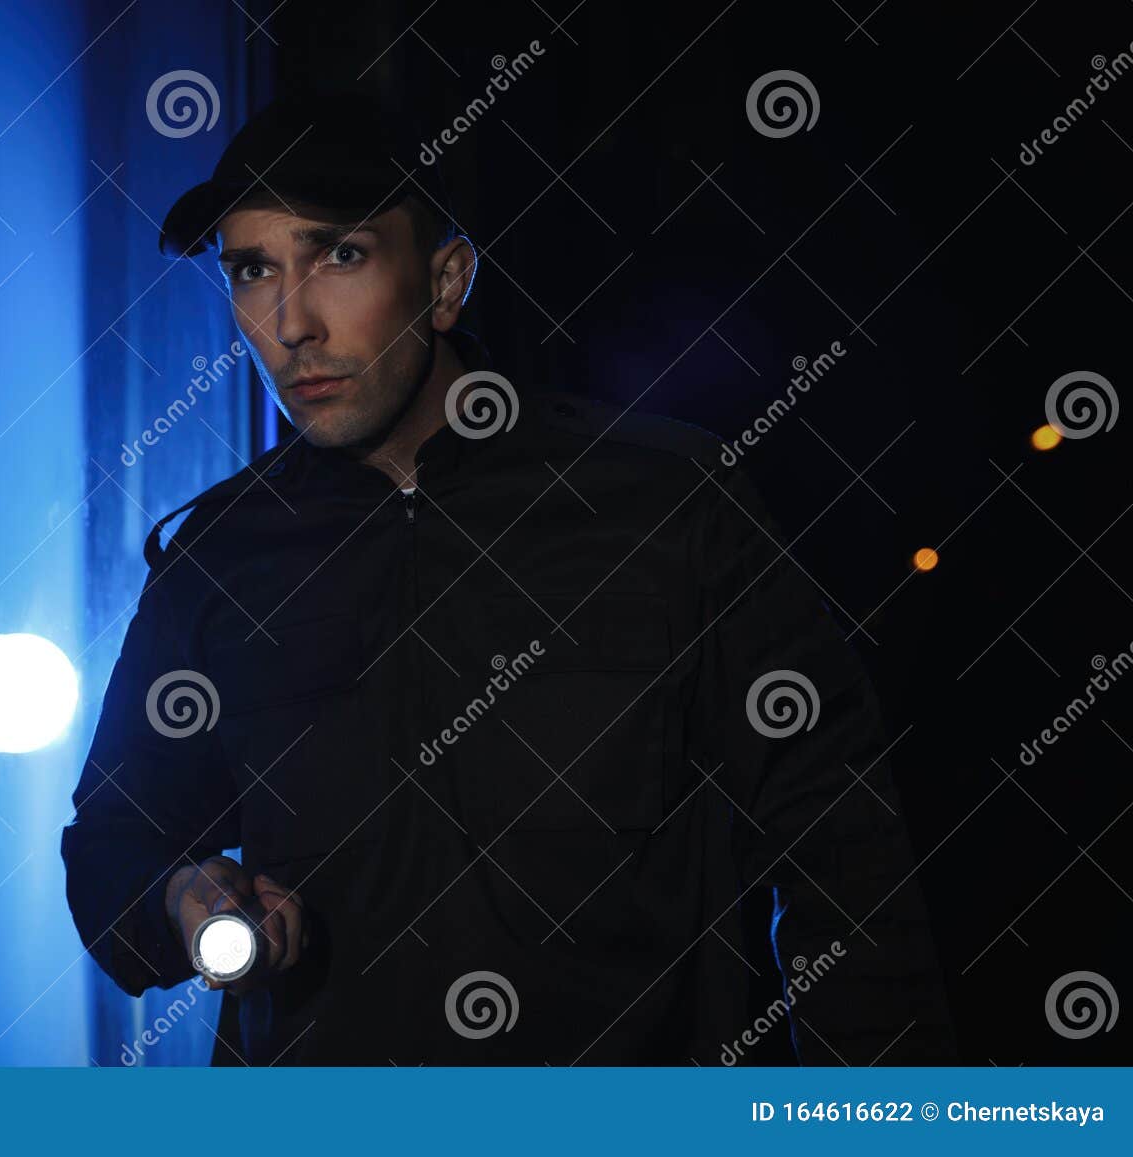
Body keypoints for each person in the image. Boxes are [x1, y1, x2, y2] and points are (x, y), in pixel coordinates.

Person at [60, 89, 957, 1065]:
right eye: (251, 269)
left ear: (444, 281)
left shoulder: (662, 505)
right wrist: (181, 898)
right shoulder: (218, 559)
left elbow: (840, 841)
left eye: (341, 256)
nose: (291, 322)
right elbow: (110, 843)